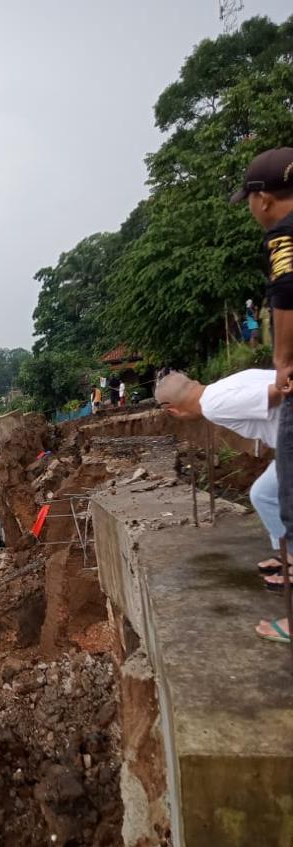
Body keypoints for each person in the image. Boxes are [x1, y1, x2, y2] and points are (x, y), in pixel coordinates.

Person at [231, 147, 293, 642]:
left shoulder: (283, 237)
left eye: (249, 199)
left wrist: (283, 367)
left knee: (283, 494)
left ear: (265, 198)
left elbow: (286, 299)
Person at [154, 367, 284, 577]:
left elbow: (277, 392)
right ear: (194, 381)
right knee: (267, 493)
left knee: (265, 495)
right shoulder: (226, 385)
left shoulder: (213, 404)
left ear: (173, 411)